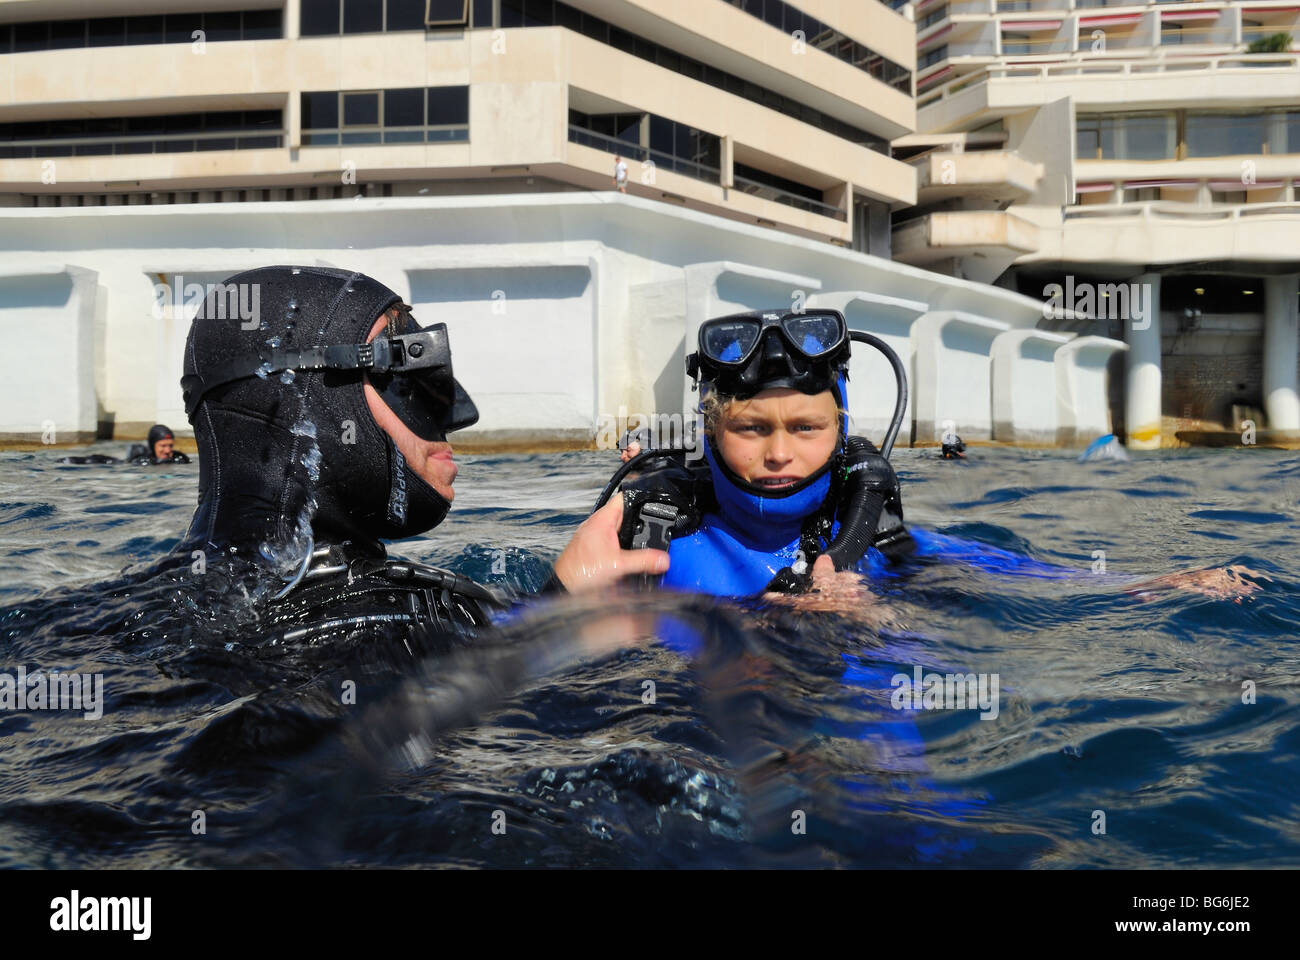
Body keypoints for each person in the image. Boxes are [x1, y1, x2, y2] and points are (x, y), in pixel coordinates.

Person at [601, 308, 1267, 602]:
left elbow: (1021, 576)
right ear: (710, 431)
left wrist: (1149, 584)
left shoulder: (877, 541)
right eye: (751, 429)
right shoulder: (653, 540)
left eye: (806, 428)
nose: (780, 454)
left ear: (843, 430)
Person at [176, 265, 661, 646]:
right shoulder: (395, 620)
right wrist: (563, 609)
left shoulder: (154, 602)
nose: (453, 415)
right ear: (312, 397)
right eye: (404, 372)